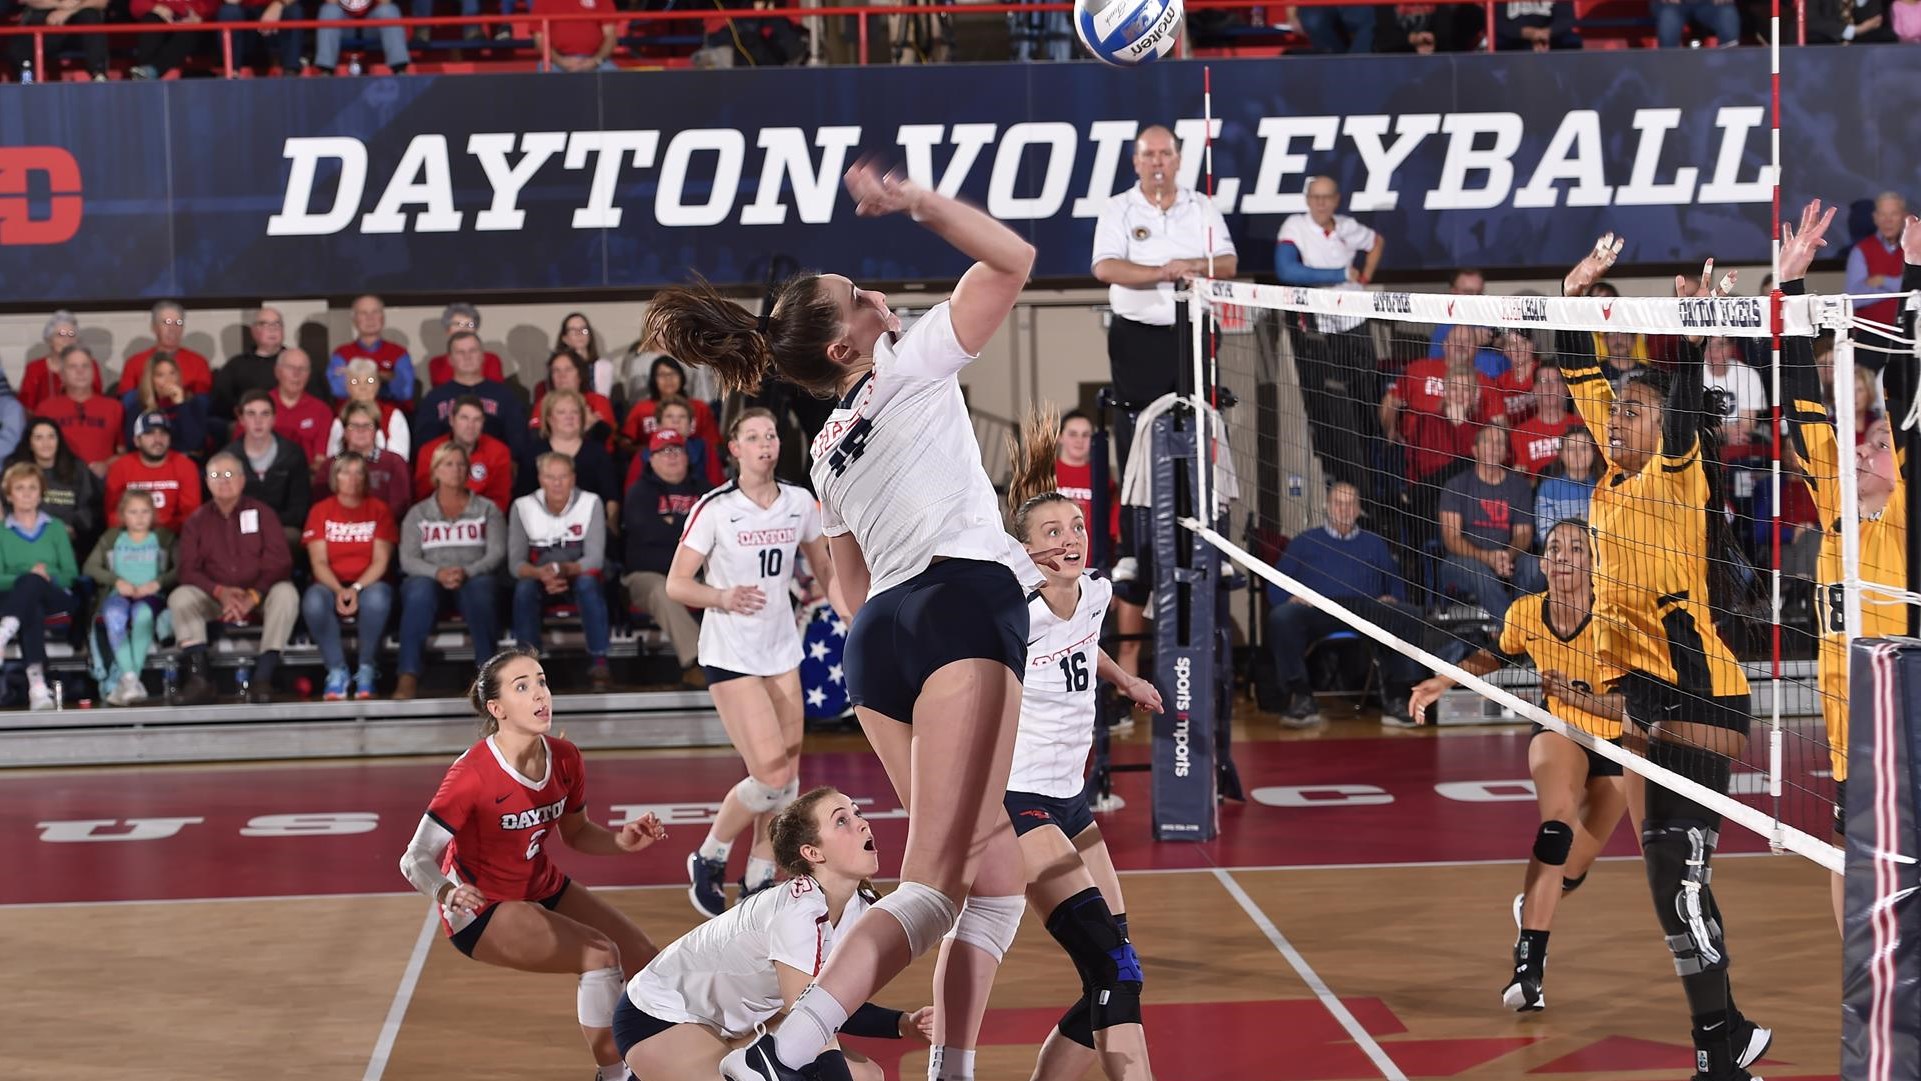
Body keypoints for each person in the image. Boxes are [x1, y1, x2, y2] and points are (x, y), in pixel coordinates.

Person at [646, 160, 1042, 1081]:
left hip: (880, 644)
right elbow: (1013, 260)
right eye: (858, 297)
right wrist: (918, 203)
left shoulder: (825, 446)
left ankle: (949, 1068)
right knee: (934, 881)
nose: (875, 295)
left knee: (994, 877)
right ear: (842, 347)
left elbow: (850, 590)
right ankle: (780, 1053)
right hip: (957, 606)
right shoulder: (907, 359)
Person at [1558, 236, 1771, 1081]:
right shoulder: (1613, 473)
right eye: (1614, 412)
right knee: (1664, 878)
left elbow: (1680, 405)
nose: (1614, 419)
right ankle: (1724, 1034)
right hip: (1648, 694)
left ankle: (1721, 1045)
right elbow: (1578, 368)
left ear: (1661, 427)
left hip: (1700, 692)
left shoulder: (1675, 476)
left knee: (1676, 876)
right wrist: (1571, 292)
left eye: (1631, 413)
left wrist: (1689, 324)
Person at [927, 426, 1163, 1081]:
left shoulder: (1096, 593)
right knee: (1113, 968)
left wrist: (1126, 680)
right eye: (1051, 531)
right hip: (1018, 799)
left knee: (1116, 970)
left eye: (1075, 526)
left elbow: (1085, 642)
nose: (1068, 539)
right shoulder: (1011, 612)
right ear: (1026, 549)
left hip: (1070, 798)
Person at [397, 647, 666, 1081]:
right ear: (497, 709)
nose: (540, 694)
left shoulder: (565, 757)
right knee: (599, 955)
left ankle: (657, 1058)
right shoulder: (473, 774)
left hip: (539, 884)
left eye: (541, 681)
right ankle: (615, 1075)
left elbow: (577, 833)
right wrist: (446, 890)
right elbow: (414, 857)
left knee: (649, 963)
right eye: (521, 687)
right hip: (481, 906)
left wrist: (623, 841)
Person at [1410, 520, 1633, 1011]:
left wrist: (1579, 695)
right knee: (1556, 830)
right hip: (1559, 730)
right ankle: (1528, 970)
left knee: (1572, 868)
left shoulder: (1616, 618)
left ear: (1594, 563)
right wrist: (1442, 682)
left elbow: (1633, 703)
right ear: (1544, 562)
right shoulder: (1528, 612)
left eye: (1577, 549)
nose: (1564, 556)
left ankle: (1531, 903)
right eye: (1555, 548)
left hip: (1617, 742)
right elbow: (1495, 655)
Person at [1776, 200, 1918, 930]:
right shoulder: (1832, 494)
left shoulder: (1903, 506)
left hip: (1906, 708)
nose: (1866, 448)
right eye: (1860, 442)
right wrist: (1788, 287)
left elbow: (1904, 382)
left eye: (1880, 443)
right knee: (1848, 850)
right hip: (1846, 721)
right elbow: (1799, 395)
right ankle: (1860, 967)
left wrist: (1914, 273)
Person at [616, 788, 933, 1081]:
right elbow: (814, 1023)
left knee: (868, 1076)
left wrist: (902, 1024)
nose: (862, 823)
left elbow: (834, 1004)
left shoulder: (861, 909)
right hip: (660, 1016)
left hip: (733, 1022)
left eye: (857, 813)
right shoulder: (797, 913)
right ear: (812, 852)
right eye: (842, 820)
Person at [668, 408, 835, 917]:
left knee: (788, 782)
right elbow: (677, 583)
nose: (766, 443)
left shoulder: (799, 502)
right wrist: (722, 596)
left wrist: (853, 614)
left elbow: (824, 566)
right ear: (735, 448)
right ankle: (709, 854)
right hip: (731, 652)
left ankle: (760, 877)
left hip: (781, 649)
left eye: (771, 435)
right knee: (769, 776)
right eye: (754, 436)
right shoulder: (716, 507)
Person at [1089, 124, 1238, 476]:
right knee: (1139, 429)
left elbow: (1228, 263)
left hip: (1194, 335)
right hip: (1137, 339)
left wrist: (1191, 265)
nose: (1157, 162)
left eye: (1165, 154)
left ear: (1178, 160)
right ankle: (1139, 511)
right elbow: (1105, 267)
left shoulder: (1201, 206)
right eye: (1149, 154)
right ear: (1136, 162)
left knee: (1201, 424)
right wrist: (1163, 272)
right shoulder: (1118, 208)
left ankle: (1202, 507)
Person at [1267, 481, 1431, 728]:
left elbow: (1395, 583)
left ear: (1358, 509)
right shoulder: (1304, 541)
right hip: (1318, 609)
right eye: (1338, 503)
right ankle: (1300, 697)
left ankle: (1398, 698)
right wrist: (1289, 598)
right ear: (1327, 506)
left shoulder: (1375, 543)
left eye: (1350, 504)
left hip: (1365, 610)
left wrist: (1392, 598)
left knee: (1407, 613)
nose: (1344, 510)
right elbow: (1275, 584)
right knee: (1282, 616)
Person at [169, 452, 298, 706]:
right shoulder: (196, 521)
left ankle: (264, 676)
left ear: (242, 479)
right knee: (180, 597)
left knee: (286, 593)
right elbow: (187, 570)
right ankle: (200, 678)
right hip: (215, 596)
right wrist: (219, 592)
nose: (223, 480)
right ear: (207, 482)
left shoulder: (263, 513)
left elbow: (280, 561)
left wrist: (254, 595)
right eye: (216, 475)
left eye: (229, 474)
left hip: (259, 594)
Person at [395, 443, 505, 701]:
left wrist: (467, 571)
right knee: (418, 591)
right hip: (431, 578)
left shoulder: (487, 509)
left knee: (481, 590)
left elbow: (497, 553)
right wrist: (438, 573)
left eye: (461, 464)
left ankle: (486, 676)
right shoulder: (418, 513)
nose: (455, 470)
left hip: (473, 577)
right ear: (435, 471)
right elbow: (408, 559)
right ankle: (408, 674)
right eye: (448, 464)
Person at [510, 453, 612, 689]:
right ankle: (527, 667)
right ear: (540, 478)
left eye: (563, 477)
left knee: (588, 584)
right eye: (550, 477)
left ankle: (599, 661)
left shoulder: (591, 502)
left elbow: (595, 559)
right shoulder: (522, 506)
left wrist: (565, 569)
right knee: (524, 589)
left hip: (577, 575)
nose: (557, 483)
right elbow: (515, 564)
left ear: (573, 478)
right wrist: (541, 574)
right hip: (540, 578)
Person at [302, 453, 399, 701]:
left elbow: (381, 561)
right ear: (335, 478)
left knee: (377, 599)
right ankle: (337, 670)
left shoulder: (379, 509)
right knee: (313, 601)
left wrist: (354, 589)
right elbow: (318, 562)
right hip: (330, 583)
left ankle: (367, 668)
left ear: (366, 478)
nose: (352, 479)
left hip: (369, 582)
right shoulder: (320, 511)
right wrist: (339, 590)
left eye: (358, 472)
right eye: (346, 472)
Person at [621, 428, 711, 688]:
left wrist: (673, 524)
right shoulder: (639, 493)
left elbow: (717, 534)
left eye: (676, 450)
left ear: (687, 456)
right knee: (664, 590)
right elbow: (648, 535)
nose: (671, 456)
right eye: (663, 451)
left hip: (697, 573)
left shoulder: (705, 490)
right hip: (646, 577)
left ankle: (740, 661)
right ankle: (697, 663)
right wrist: (689, 529)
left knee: (728, 584)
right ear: (651, 459)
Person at [1437, 424, 1538, 624]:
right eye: (1487, 442)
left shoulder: (1520, 486)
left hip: (1507, 557)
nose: (1494, 447)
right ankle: (1512, 631)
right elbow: (1451, 539)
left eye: (1500, 443)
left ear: (1506, 452)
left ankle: (1518, 624)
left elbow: (1524, 534)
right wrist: (1487, 558)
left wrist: (1507, 556)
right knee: (1480, 574)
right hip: (1462, 560)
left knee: (1535, 567)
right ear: (1475, 450)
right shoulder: (1455, 485)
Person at [0, 462, 79, 711]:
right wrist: (28, 577)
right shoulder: (1, 533)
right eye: (19, 488)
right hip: (19, 600)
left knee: (33, 584)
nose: (26, 494)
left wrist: (43, 578)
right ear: (9, 495)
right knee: (30, 605)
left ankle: (4, 632)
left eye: (32, 488)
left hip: (56, 597)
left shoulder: (55, 527)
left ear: (40, 493)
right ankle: (37, 686)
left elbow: (70, 575)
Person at [86, 489, 175, 707]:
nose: (139, 517)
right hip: (120, 594)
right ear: (122, 515)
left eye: (145, 512)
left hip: (151, 596)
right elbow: (90, 567)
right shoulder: (112, 538)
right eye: (133, 512)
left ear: (153, 514)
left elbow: (181, 569)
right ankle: (131, 678)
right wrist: (116, 581)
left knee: (142, 615)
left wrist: (157, 583)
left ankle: (127, 682)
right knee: (114, 614)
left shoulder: (164, 538)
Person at [226, 390, 314, 550]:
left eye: (265, 414)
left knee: (290, 537)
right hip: (239, 529)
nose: (258, 421)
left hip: (282, 527)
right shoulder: (227, 458)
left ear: (274, 418)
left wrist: (265, 523)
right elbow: (223, 507)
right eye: (251, 414)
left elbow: (299, 509)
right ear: (241, 419)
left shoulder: (293, 455)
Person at [522, 389, 620, 531]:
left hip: (589, 527)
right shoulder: (533, 453)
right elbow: (523, 498)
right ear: (549, 418)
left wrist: (611, 526)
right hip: (543, 528)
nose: (569, 417)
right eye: (561, 412)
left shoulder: (598, 452)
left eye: (575, 412)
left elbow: (611, 495)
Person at [8, 418, 100, 554]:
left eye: (51, 437)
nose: (46, 443)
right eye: (38, 438)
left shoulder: (78, 469)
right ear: (30, 444)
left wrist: (70, 526)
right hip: (24, 539)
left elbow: (90, 508)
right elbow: (7, 507)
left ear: (59, 441)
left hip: (72, 540)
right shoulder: (16, 471)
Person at [105, 411, 203, 535]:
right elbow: (113, 515)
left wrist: (160, 533)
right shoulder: (120, 467)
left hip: (174, 536)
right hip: (130, 536)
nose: (158, 439)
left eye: (163, 433)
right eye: (149, 433)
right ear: (137, 440)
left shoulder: (186, 466)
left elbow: (191, 514)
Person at [414, 397, 515, 513]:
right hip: (437, 517)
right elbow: (424, 497)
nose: (470, 426)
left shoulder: (499, 451)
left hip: (482, 518)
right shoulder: (429, 451)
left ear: (483, 422)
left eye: (477, 420)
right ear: (452, 420)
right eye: (464, 418)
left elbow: (499, 502)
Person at [36, 344, 123, 478]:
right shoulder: (46, 409)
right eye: (73, 367)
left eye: (85, 366)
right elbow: (35, 451)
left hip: (101, 481)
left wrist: (106, 465)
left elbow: (124, 452)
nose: (80, 372)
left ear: (93, 372)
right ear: (62, 374)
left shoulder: (114, 407)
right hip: (59, 480)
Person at [619, 356, 721, 455]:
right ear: (654, 380)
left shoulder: (700, 407)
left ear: (682, 377)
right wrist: (650, 451)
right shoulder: (641, 409)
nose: (668, 379)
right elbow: (625, 444)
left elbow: (713, 444)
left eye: (673, 373)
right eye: (662, 375)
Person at [328, 294, 416, 407]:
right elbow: (338, 390)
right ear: (354, 320)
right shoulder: (341, 353)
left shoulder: (399, 353)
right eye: (363, 313)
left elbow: (404, 392)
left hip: (390, 413)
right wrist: (383, 377)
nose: (370, 318)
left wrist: (355, 376)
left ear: (383, 318)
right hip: (352, 414)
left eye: (375, 312)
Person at [327, 401, 413, 515]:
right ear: (345, 431)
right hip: (339, 523)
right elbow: (323, 507)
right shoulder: (330, 465)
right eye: (354, 426)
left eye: (368, 425)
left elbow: (401, 506)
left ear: (376, 430)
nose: (361, 431)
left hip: (384, 523)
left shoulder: (395, 463)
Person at [121, 354, 210, 459]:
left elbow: (195, 443)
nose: (169, 380)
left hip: (185, 463)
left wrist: (181, 405)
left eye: (172, 373)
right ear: (151, 380)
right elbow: (133, 445)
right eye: (160, 375)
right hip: (151, 463)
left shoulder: (192, 404)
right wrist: (178, 449)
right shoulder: (139, 407)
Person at [118, 301, 213, 397]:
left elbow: (203, 400)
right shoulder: (134, 363)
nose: (172, 329)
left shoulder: (198, 363)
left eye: (178, 323)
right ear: (154, 327)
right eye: (167, 322)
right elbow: (126, 400)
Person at [325, 357, 412, 461]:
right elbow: (333, 459)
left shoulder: (393, 415)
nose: (363, 387)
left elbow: (400, 460)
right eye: (355, 381)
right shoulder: (340, 419)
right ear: (347, 387)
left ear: (377, 385)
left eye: (369, 381)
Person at [270, 348, 337, 468]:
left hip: (307, 474)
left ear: (309, 375)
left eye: (302, 369)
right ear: (277, 372)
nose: (296, 374)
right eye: (290, 368)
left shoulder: (321, 410)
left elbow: (321, 458)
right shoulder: (260, 407)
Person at [1534, 428, 1602, 537]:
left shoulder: (1604, 486)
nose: (1577, 454)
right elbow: (1545, 532)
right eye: (1571, 449)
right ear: (1561, 454)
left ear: (1594, 453)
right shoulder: (1548, 488)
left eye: (1583, 448)